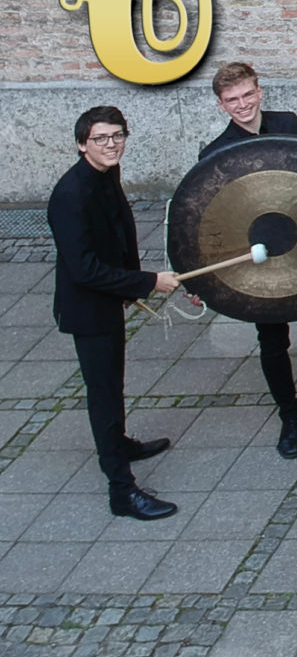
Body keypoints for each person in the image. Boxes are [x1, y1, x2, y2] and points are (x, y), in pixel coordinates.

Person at [201, 62, 297, 458]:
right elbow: (204, 216)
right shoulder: (214, 153)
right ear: (221, 105)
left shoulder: (289, 123)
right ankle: (290, 416)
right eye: (233, 100)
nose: (243, 104)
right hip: (256, 260)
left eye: (248, 95)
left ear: (260, 91)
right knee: (272, 341)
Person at [49, 107, 181, 521]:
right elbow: (83, 267)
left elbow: (118, 228)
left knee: (113, 381)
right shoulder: (70, 195)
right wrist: (144, 282)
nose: (111, 144)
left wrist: (127, 281)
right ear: (81, 144)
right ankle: (121, 491)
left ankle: (119, 443)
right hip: (88, 309)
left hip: (108, 298)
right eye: (101, 139)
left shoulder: (107, 174)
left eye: (117, 135)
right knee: (103, 393)